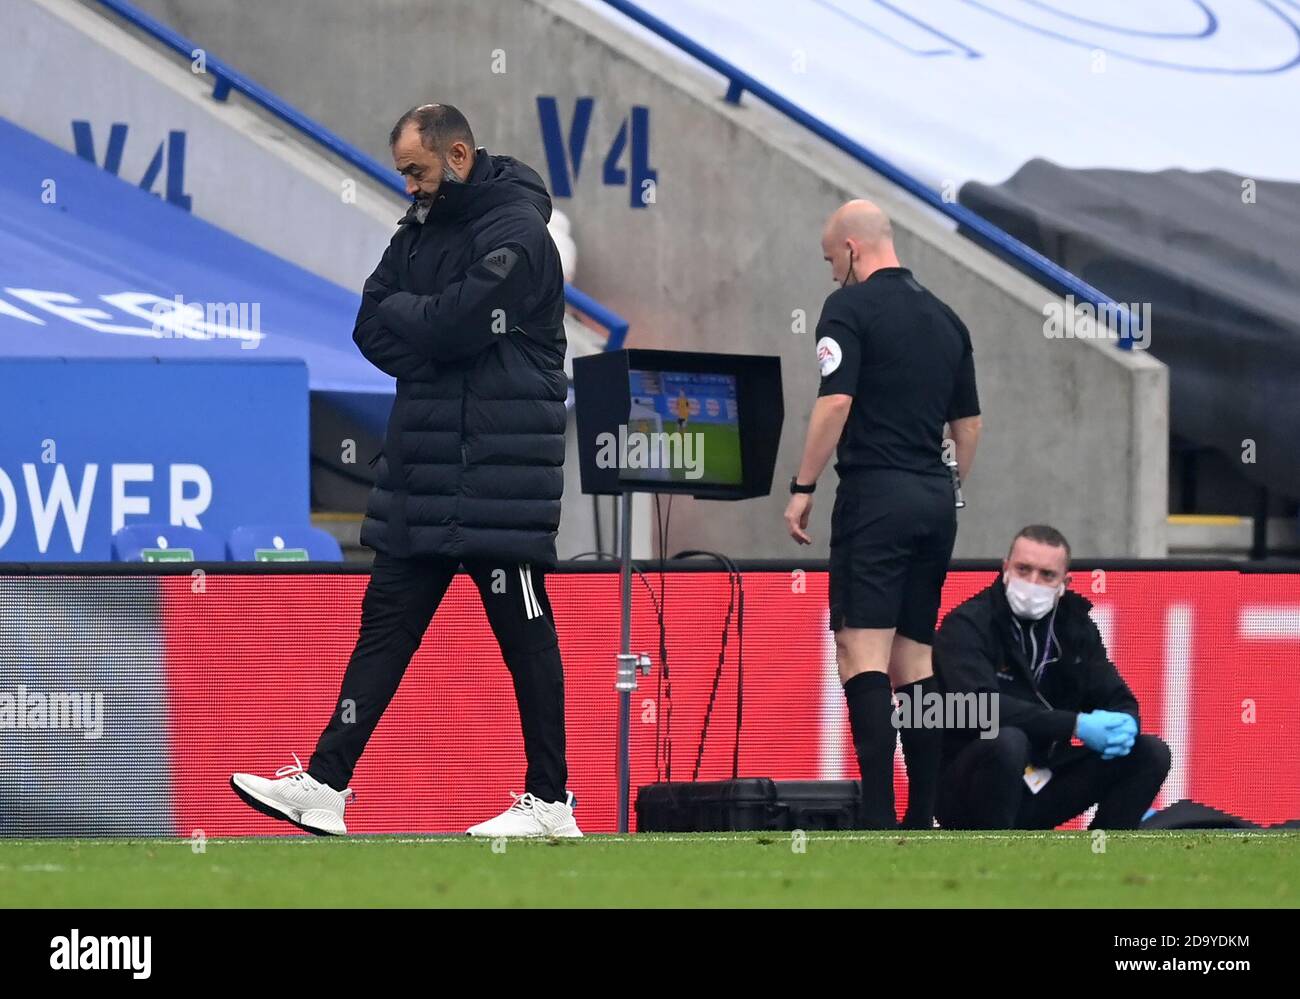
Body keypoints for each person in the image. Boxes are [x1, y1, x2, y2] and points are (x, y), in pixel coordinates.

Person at [230, 103, 579, 838]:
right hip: (423, 469)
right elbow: (369, 320)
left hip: (496, 475)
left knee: (524, 637)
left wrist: (427, 325)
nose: (409, 188)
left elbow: (451, 322)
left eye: (416, 172)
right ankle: (326, 782)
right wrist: (434, 335)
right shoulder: (418, 229)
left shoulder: (520, 233)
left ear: (457, 156)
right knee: (383, 631)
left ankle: (551, 802)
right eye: (402, 175)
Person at [784, 199, 982, 828]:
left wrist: (803, 484)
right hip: (933, 497)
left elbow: (835, 401)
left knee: (859, 651)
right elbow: (969, 424)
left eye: (829, 260)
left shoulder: (849, 308)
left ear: (851, 248)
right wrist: (947, 485)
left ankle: (875, 815)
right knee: (913, 659)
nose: (830, 274)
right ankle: (922, 816)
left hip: (875, 494)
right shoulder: (947, 319)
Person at [932, 525, 1171, 829]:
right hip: (968, 787)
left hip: (1042, 779)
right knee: (1008, 741)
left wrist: (1126, 722)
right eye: (1023, 569)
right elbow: (979, 707)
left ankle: (1103, 857)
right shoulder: (967, 624)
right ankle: (991, 854)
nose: (1033, 582)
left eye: (1046, 575)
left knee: (1150, 752)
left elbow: (1114, 694)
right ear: (1005, 569)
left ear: (1064, 582)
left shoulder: (1076, 627)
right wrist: (1074, 725)